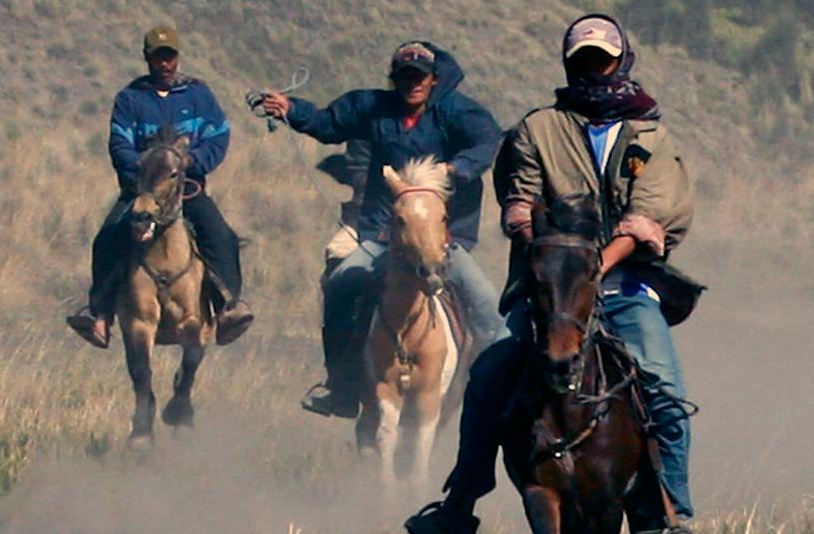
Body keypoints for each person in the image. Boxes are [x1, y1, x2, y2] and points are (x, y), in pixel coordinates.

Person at [402, 14, 705, 534]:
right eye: (583, 60)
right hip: (549, 293)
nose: (594, 69)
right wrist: (539, 248)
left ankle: (673, 519)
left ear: (622, 60)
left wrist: (592, 266)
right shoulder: (536, 130)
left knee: (663, 385)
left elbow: (649, 216)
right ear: (569, 65)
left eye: (603, 59)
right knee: (490, 374)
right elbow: (519, 200)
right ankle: (459, 505)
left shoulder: (653, 138)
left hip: (625, 287)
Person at [254, 40, 504, 418]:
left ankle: (495, 393)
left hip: (444, 241)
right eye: (405, 76)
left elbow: (486, 139)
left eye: (419, 76)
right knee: (341, 284)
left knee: (488, 311)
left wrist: (458, 169)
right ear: (394, 79)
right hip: (385, 234)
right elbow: (328, 123)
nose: (412, 84)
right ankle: (340, 385)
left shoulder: (457, 111)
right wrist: (292, 110)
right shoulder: (374, 108)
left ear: (434, 79)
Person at [67, 27, 252, 349]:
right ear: (147, 58)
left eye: (169, 57)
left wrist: (191, 162)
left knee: (222, 237)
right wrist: (146, 170)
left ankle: (227, 308)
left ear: (177, 58)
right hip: (142, 192)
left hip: (187, 190)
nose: (164, 64)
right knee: (107, 236)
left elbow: (218, 136)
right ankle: (99, 314)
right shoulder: (130, 99)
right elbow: (119, 144)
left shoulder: (199, 96)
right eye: (158, 57)